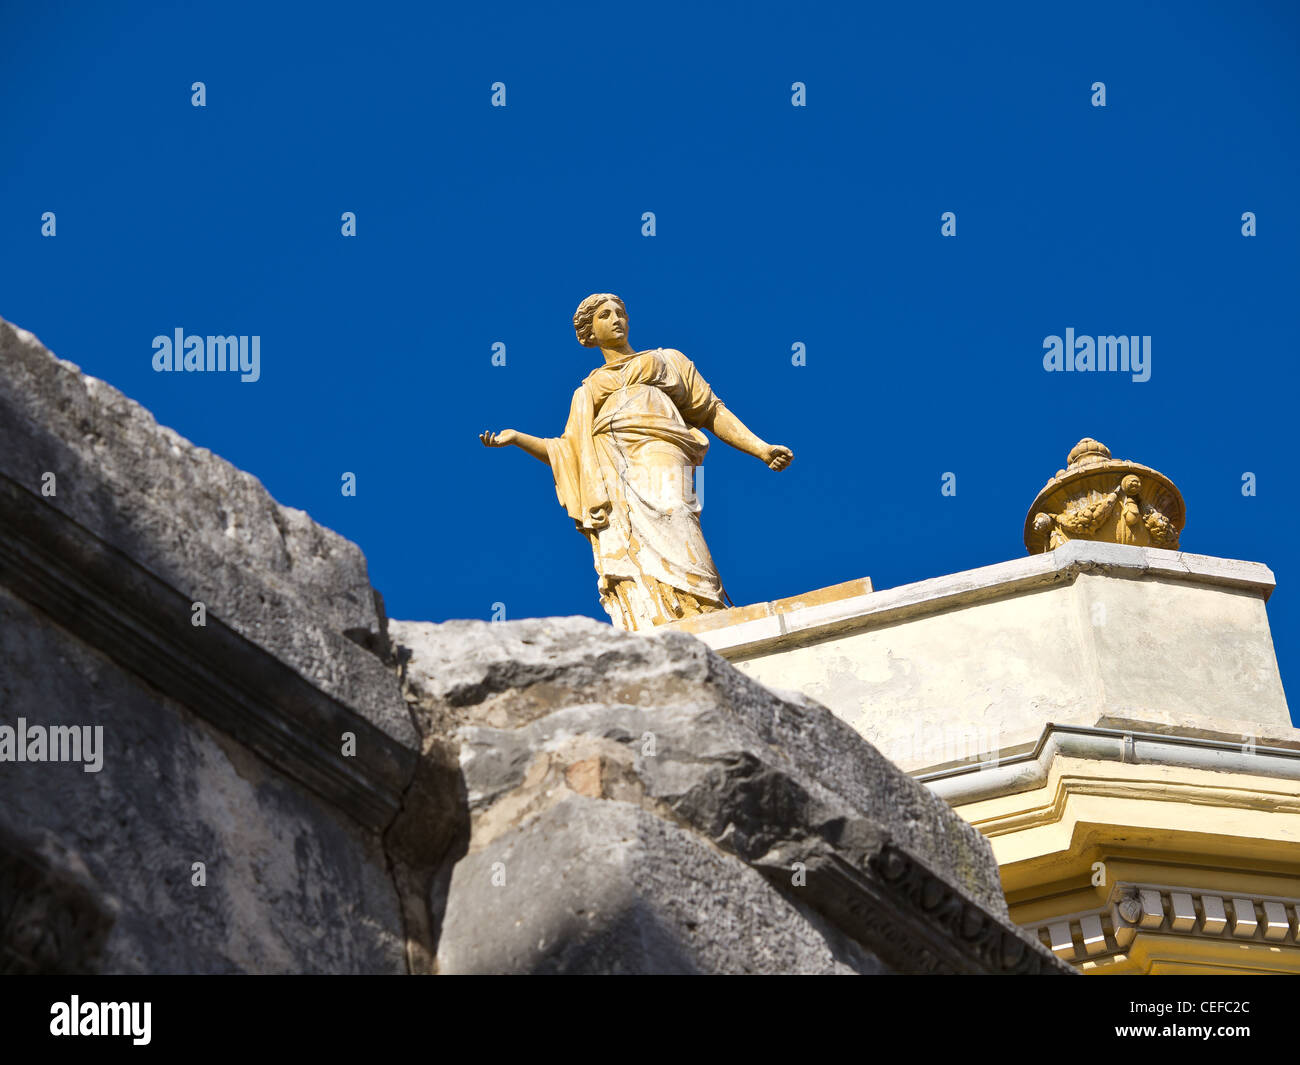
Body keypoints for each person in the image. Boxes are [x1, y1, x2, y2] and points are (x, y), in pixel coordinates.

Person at [480, 293, 793, 631]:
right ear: (589, 332)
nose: (616, 319)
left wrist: (760, 448)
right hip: (610, 464)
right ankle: (657, 615)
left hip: (662, 444)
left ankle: (703, 603)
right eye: (604, 315)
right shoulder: (587, 390)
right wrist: (517, 439)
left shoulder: (667, 360)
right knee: (630, 539)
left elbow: (711, 410)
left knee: (676, 510)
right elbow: (568, 451)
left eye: (621, 313)